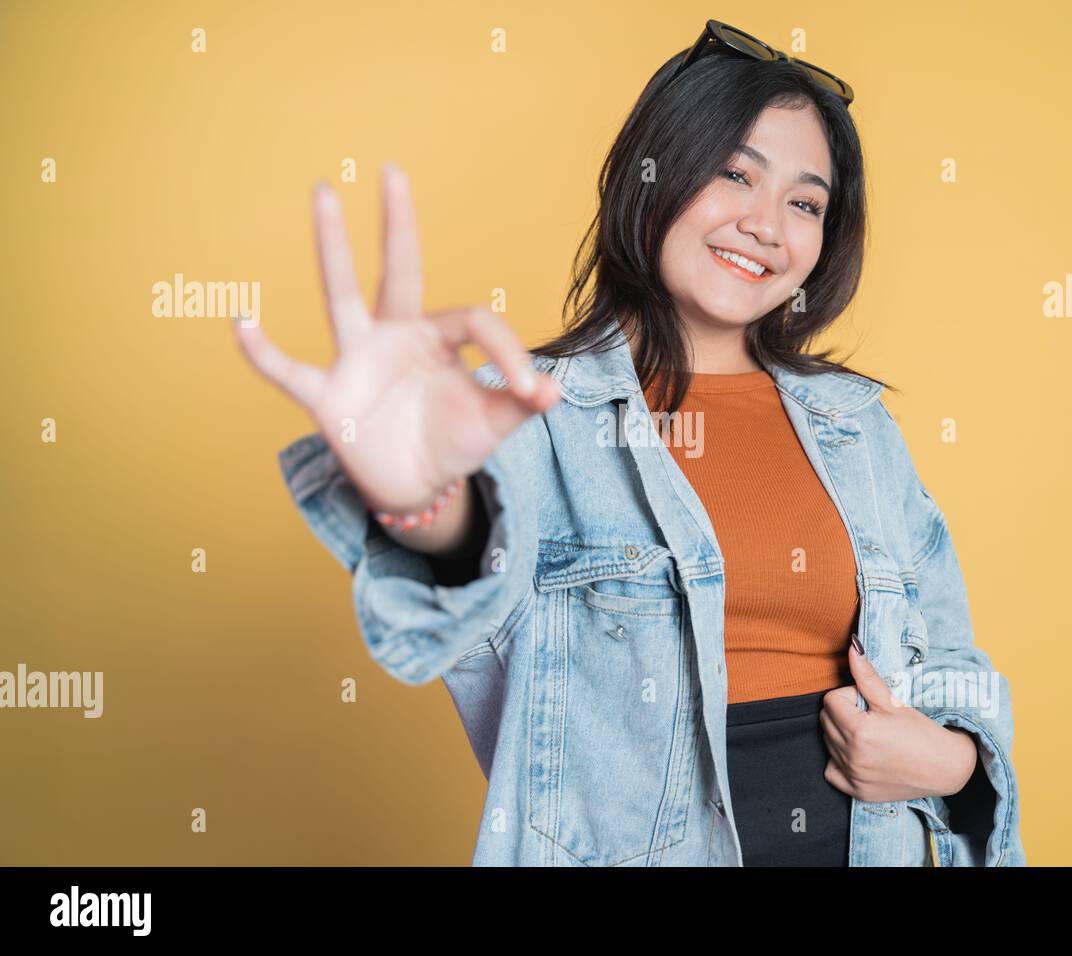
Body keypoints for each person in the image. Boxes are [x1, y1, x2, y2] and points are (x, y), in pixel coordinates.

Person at [233, 20, 1026, 867]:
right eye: (735, 174)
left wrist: (953, 762)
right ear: (657, 172)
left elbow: (949, 656)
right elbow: (454, 599)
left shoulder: (857, 425)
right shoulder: (527, 410)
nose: (767, 225)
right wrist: (417, 489)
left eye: (805, 202)